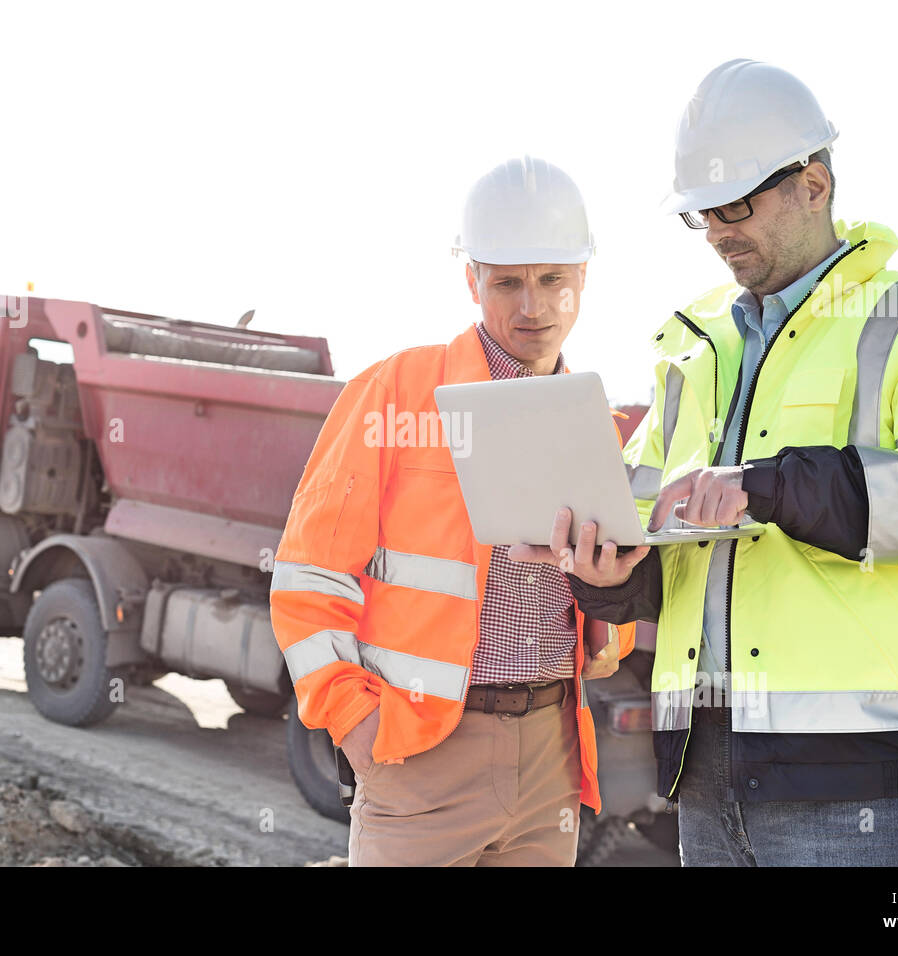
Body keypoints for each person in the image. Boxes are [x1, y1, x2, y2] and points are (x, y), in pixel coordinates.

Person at [511, 59, 898, 866]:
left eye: (733, 205)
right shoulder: (695, 352)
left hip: (861, 780)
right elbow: (661, 546)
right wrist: (609, 575)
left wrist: (770, 487)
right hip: (704, 776)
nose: (719, 232)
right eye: (701, 215)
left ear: (814, 184)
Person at [270, 156, 633, 866]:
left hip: (551, 761)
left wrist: (610, 603)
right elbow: (308, 580)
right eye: (507, 283)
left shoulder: (601, 427)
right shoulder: (396, 394)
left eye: (553, 280)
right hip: (419, 755)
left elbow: (607, 623)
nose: (532, 307)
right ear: (472, 280)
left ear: (583, 280)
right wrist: (358, 727)